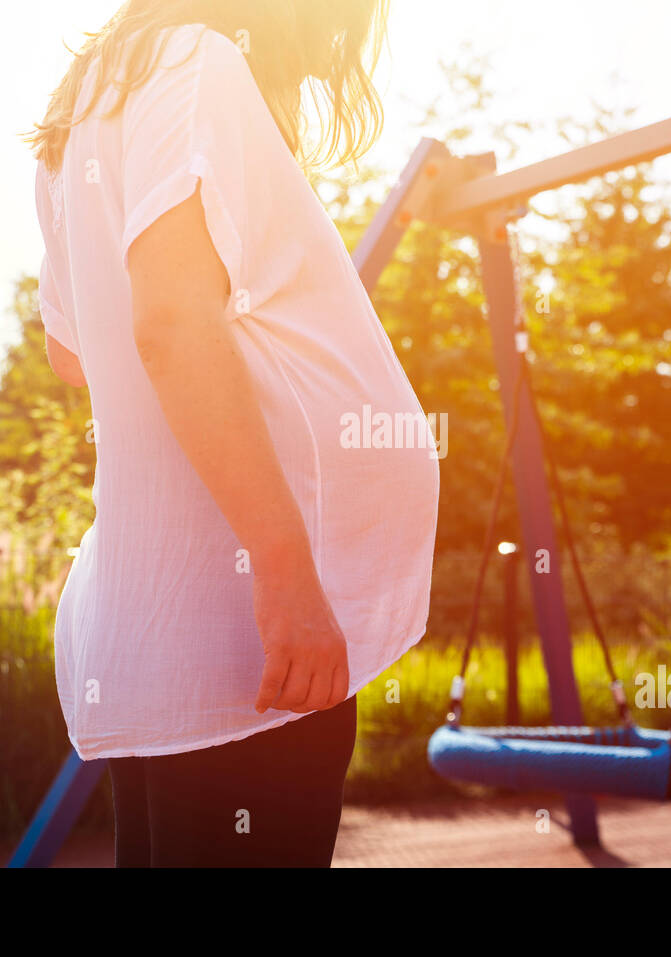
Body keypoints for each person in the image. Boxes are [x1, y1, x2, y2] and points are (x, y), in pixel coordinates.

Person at [26, 0, 438, 867]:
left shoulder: (86, 100)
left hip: (170, 631)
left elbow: (72, 352)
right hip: (243, 631)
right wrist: (285, 569)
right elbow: (171, 323)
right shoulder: (193, 60)